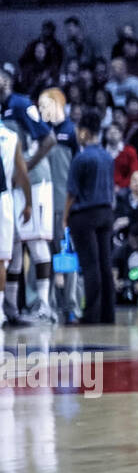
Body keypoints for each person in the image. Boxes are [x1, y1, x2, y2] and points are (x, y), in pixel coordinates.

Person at [1, 65, 58, 324]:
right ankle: (10, 307)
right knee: (11, 246)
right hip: (11, 185)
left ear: (7, 80)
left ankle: (44, 304)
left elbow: (49, 140)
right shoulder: (3, 109)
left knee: (36, 242)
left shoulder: (22, 103)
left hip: (34, 181)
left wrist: (26, 167)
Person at [65, 110, 116, 326]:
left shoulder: (81, 158)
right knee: (105, 264)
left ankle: (91, 316)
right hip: (106, 212)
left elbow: (72, 193)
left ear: (84, 132)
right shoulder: (107, 156)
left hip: (84, 215)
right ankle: (108, 314)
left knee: (90, 266)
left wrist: (64, 218)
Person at [39, 88, 79, 323]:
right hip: (42, 202)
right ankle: (48, 306)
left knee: (67, 255)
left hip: (63, 204)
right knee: (45, 255)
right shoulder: (41, 131)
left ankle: (70, 306)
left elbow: (78, 167)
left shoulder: (70, 132)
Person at [0, 122, 32, 329]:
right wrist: (28, 202)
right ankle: (5, 310)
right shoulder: (11, 136)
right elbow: (22, 173)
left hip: (5, 197)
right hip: (5, 199)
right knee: (4, 259)